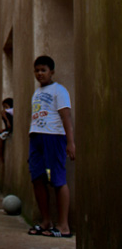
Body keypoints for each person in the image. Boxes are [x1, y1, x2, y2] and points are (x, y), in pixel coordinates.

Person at [27, 56, 75, 238]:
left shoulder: (59, 90)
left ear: (52, 72)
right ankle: (46, 221)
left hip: (54, 137)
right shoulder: (36, 93)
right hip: (36, 137)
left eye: (43, 70)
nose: (40, 73)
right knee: (37, 178)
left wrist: (70, 142)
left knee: (58, 179)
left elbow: (66, 117)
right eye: (37, 70)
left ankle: (64, 226)